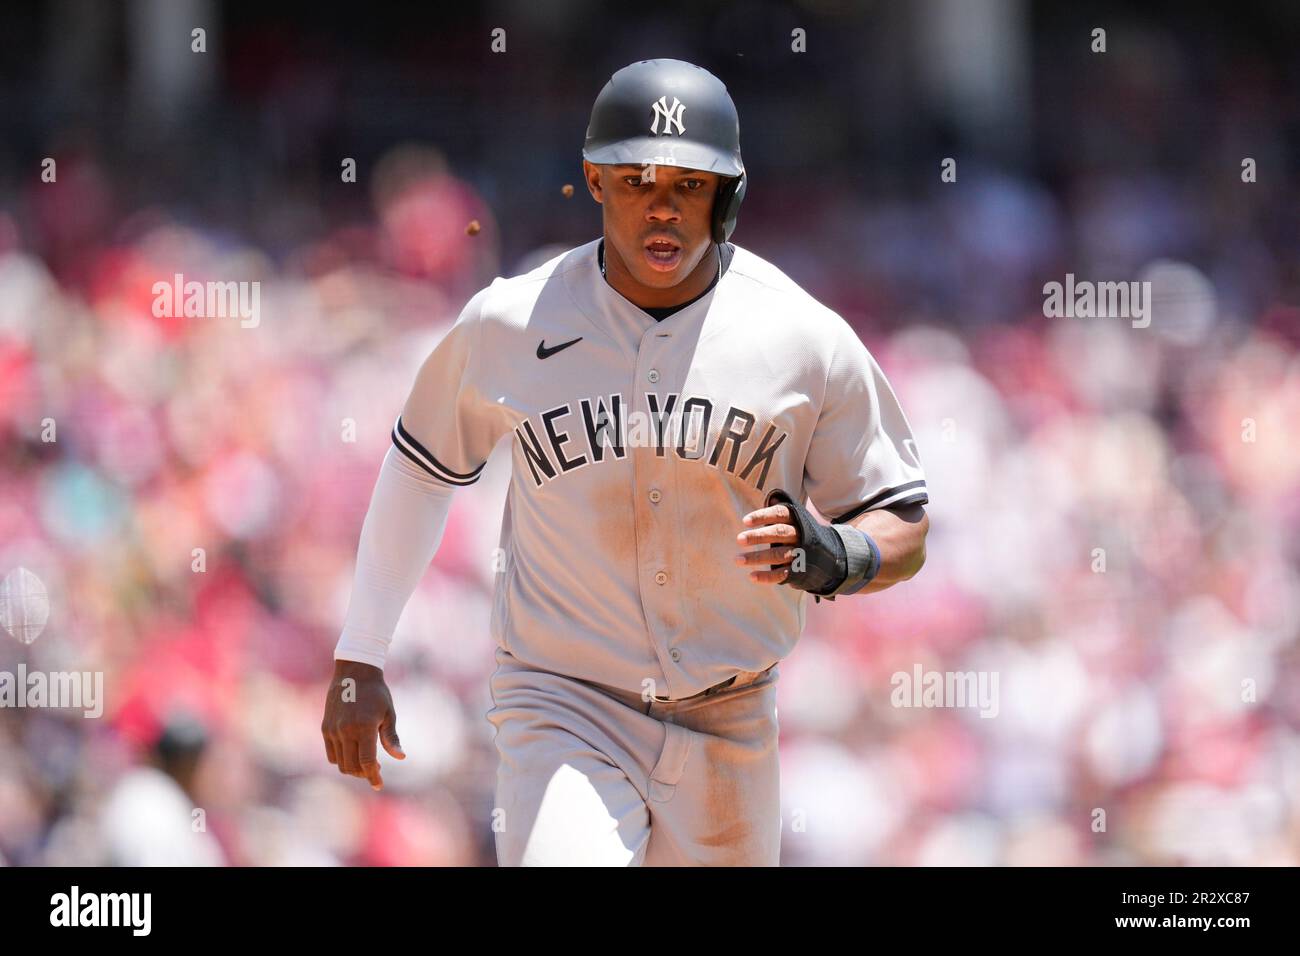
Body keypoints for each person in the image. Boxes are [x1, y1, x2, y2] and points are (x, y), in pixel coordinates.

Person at [321, 58, 929, 866]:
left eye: (691, 184)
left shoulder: (802, 338)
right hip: (564, 702)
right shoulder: (511, 321)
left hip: (732, 715)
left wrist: (838, 554)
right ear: (595, 181)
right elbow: (421, 469)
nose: (665, 208)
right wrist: (361, 653)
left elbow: (904, 524)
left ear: (730, 195)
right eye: (639, 181)